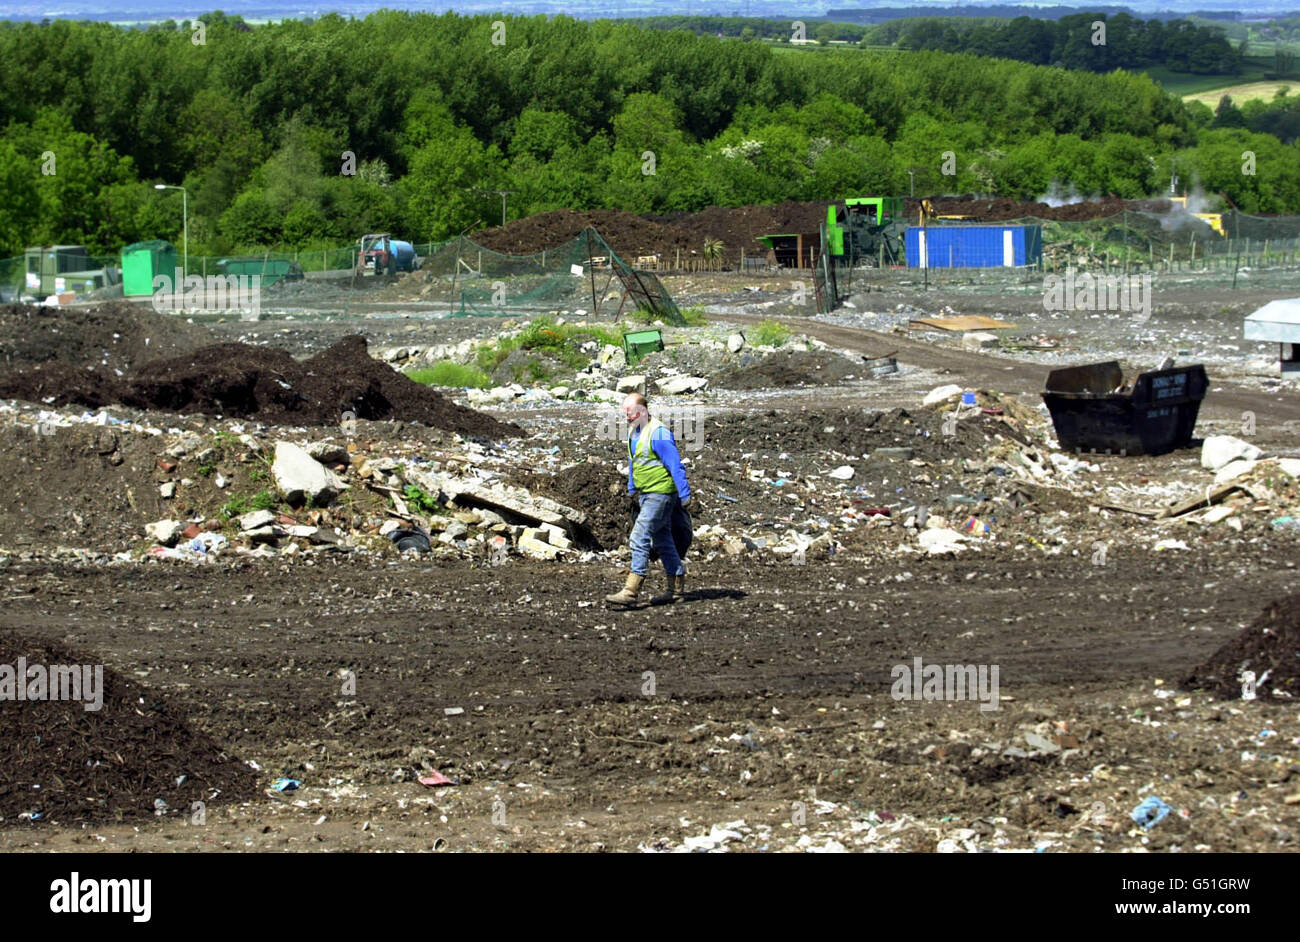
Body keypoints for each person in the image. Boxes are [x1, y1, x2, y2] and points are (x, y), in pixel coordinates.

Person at [605, 393, 691, 607]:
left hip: (661, 494)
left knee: (639, 536)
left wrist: (685, 493)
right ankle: (675, 589)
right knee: (663, 539)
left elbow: (675, 464)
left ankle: (631, 591)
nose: (626, 416)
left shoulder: (658, 434)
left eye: (630, 412)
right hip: (646, 494)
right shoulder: (635, 433)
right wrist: (632, 488)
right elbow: (634, 462)